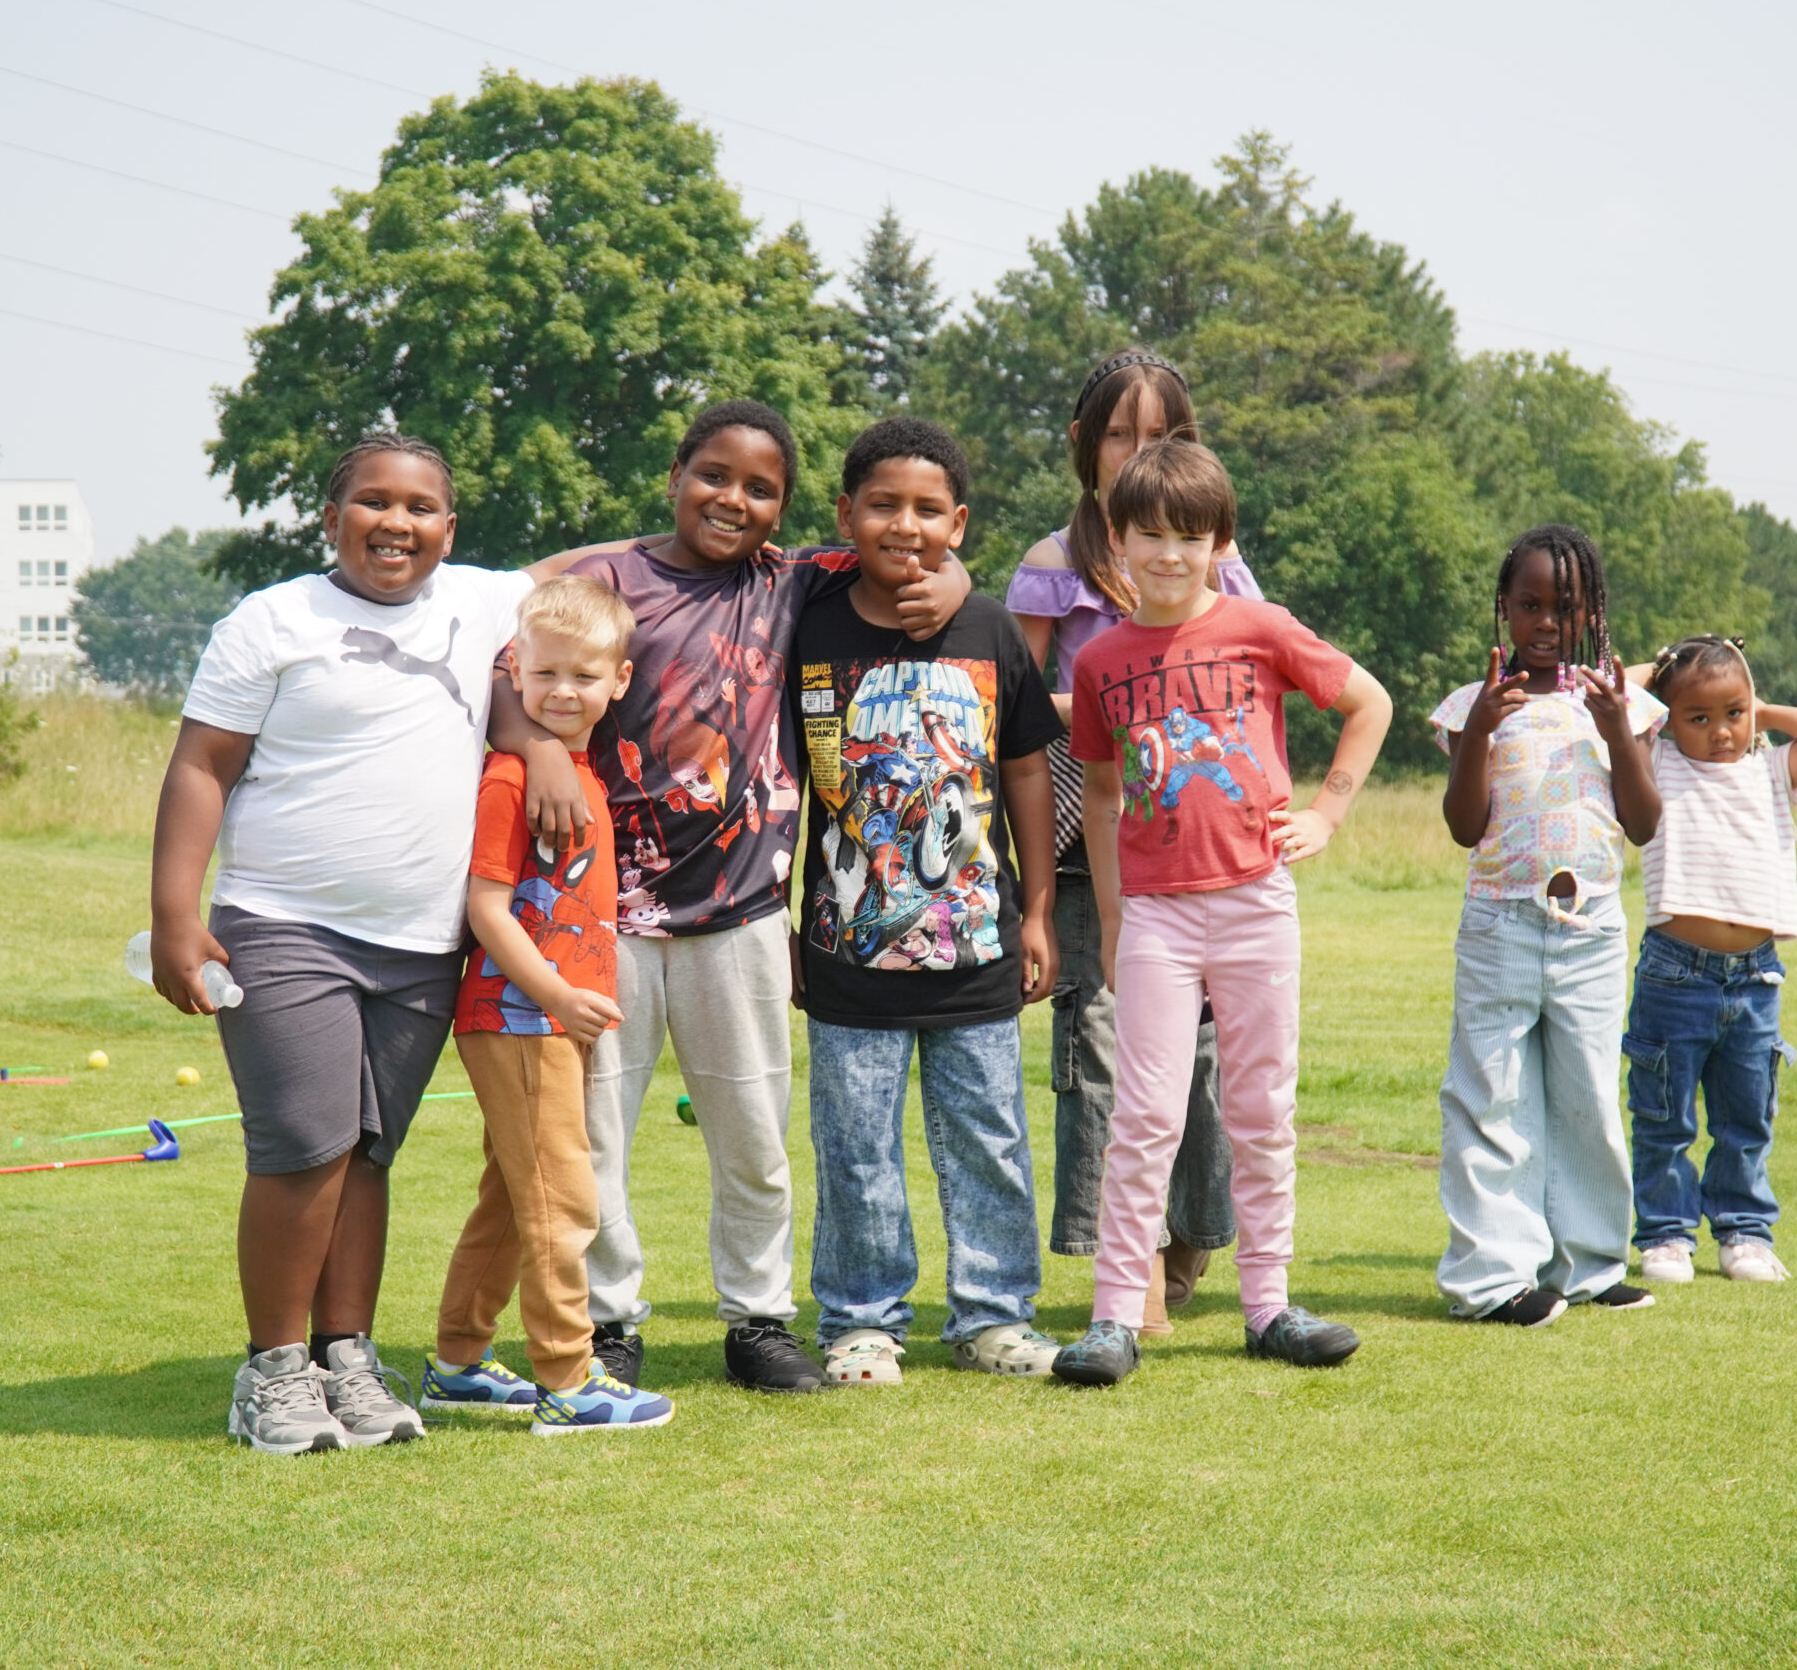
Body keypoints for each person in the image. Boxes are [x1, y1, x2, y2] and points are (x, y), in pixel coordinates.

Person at [506, 400, 973, 1394]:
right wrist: (540, 745)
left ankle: (758, 1321)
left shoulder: (789, 581)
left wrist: (957, 573)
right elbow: (511, 635)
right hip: (605, 915)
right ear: (676, 472)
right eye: (713, 475)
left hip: (743, 916)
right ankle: (610, 1321)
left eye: (762, 489)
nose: (734, 499)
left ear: (786, 511)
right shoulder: (606, 581)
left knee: (754, 1137)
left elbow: (905, 555)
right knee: (597, 1135)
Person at [153, 433, 600, 1455]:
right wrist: (178, 917)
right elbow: (200, 769)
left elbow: (619, 562)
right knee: (303, 1146)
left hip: (420, 943)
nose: (395, 523)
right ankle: (271, 1373)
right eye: (372, 503)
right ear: (330, 516)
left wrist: (757, 547)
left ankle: (343, 1358)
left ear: (450, 527)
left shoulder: (484, 603)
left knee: (365, 1153)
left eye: (420, 508)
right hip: (282, 926)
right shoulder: (271, 621)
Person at [1050, 441, 1394, 1388]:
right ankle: (1116, 1315)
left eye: (1189, 537)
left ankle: (1269, 1305)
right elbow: (1110, 796)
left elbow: (1370, 703)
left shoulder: (1261, 625)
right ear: (1115, 539)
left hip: (1255, 904)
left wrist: (1326, 808)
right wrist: (1114, 924)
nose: (1168, 554)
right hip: (1157, 915)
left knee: (1260, 1109)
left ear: (1219, 542)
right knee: (1144, 1115)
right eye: (1148, 534)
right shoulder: (1102, 660)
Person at [791, 417, 1064, 1386]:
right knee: (856, 1148)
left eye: (924, 509)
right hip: (844, 953)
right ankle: (862, 1320)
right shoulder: (807, 624)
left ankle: (993, 1314)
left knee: (989, 1137)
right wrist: (784, 923)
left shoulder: (987, 628)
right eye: (881, 505)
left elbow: (1027, 771)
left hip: (977, 948)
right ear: (844, 516)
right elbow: (783, 784)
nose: (902, 526)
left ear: (959, 521)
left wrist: (1034, 914)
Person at [1005, 349, 1252, 1327]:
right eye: (1120, 434)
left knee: (1204, 1061)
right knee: (1105, 1056)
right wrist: (1109, 700)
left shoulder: (1223, 564)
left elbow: (1250, 666)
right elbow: (1014, 713)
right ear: (1083, 445)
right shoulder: (1051, 566)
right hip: (1084, 852)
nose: (1138, 453)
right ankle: (1132, 1272)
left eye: (1162, 436)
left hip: (1198, 851)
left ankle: (1191, 1244)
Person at [416, 577, 675, 1435]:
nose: (564, 691)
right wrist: (560, 994)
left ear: (619, 683)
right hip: (521, 1018)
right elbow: (487, 909)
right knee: (562, 1197)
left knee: (510, 1193)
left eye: (584, 676)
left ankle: (456, 1362)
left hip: (549, 1020)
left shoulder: (584, 778)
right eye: (546, 673)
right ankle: (568, 1380)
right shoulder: (509, 779)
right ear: (515, 671)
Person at [1428, 524, 1665, 1329]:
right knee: (1492, 1096)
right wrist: (1482, 735)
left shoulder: (1623, 705)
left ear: (1592, 612)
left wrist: (1617, 734)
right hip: (1501, 922)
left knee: (1590, 1096)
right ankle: (1493, 1277)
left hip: (1590, 926)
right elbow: (1465, 825)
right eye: (1528, 605)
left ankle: (1591, 1265)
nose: (1545, 623)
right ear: (1504, 607)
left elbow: (1643, 822)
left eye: (1565, 607)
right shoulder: (1474, 706)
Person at [1627, 636, 1797, 1286]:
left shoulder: (1769, 771)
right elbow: (1614, 695)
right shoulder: (1659, 763)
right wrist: (1666, 667)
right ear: (1668, 720)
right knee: (1664, 1113)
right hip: (1674, 969)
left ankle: (1744, 1233)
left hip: (1755, 975)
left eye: (1734, 713)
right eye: (1699, 717)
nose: (1720, 731)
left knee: (1746, 1116)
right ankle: (1666, 1235)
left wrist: (1764, 709)